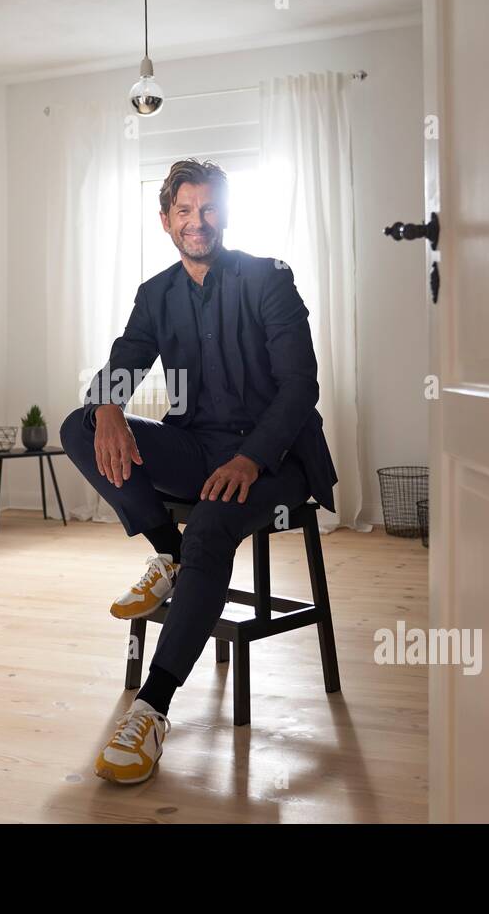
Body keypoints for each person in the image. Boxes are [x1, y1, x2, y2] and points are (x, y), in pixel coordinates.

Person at [59, 158, 339, 784]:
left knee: (213, 524)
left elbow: (301, 388)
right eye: (184, 210)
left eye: (209, 208)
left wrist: (251, 457)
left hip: (277, 460)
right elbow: (125, 363)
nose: (198, 221)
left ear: (226, 212)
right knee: (78, 426)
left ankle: (152, 709)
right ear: (166, 220)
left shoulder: (268, 279)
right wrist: (107, 406)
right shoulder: (156, 294)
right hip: (198, 448)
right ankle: (168, 552)